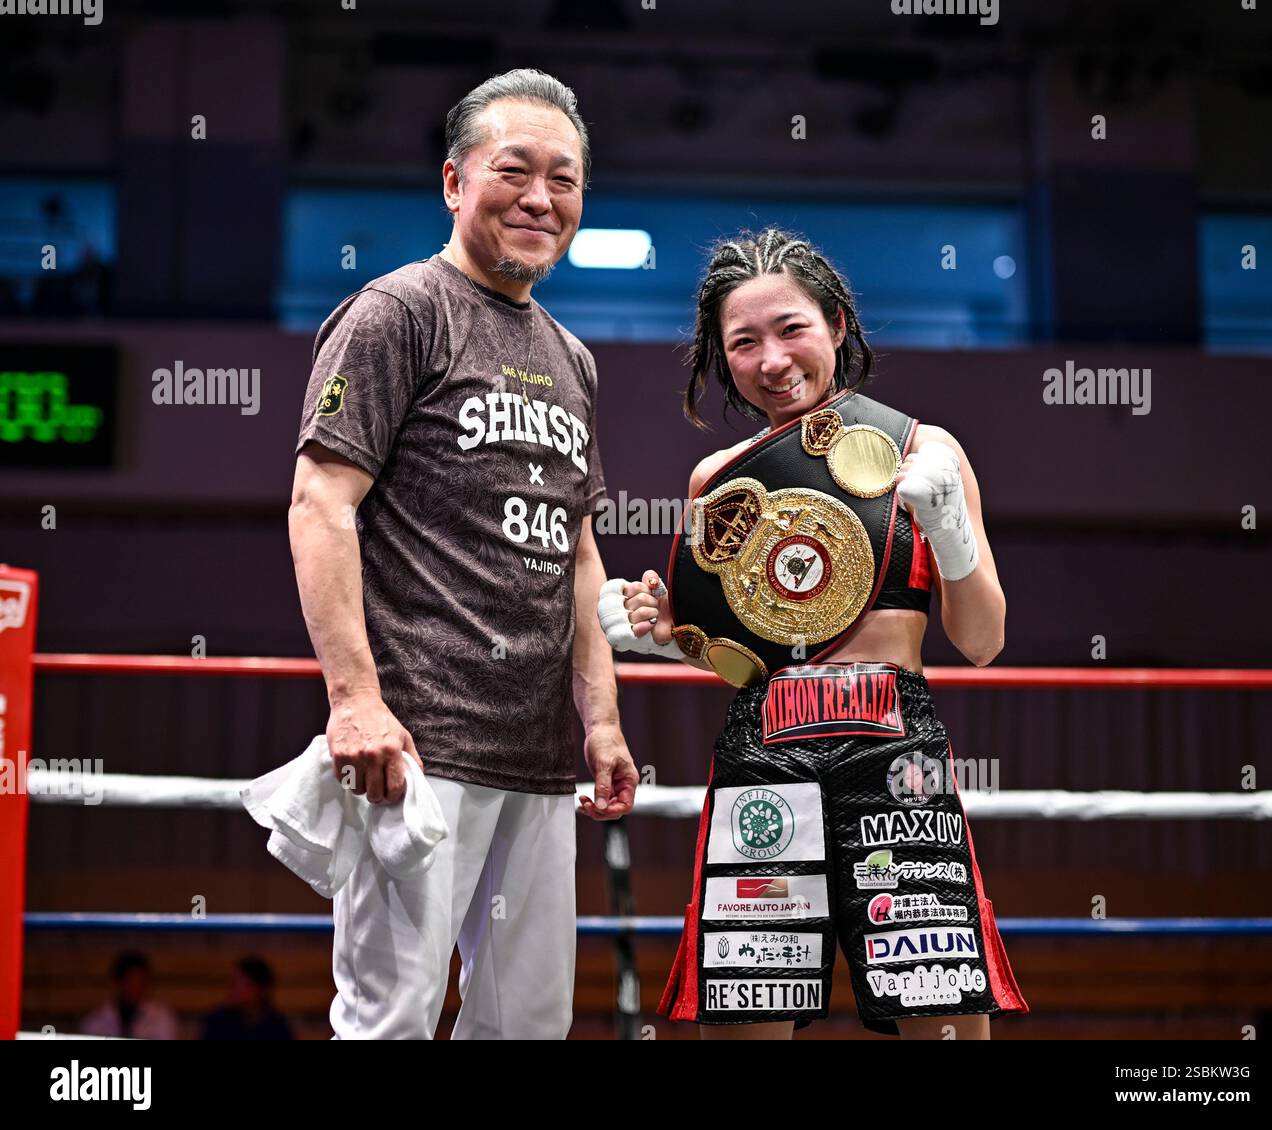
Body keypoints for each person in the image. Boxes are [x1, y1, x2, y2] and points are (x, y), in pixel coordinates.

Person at [600, 227, 1028, 1039]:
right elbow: (734, 654)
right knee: (746, 1019)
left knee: (942, 1020)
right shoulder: (717, 480)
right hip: (766, 751)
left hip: (892, 751)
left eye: (791, 328)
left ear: (835, 324)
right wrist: (659, 633)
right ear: (723, 360)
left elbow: (983, 639)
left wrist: (946, 528)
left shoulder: (921, 449)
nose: (772, 359)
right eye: (744, 342)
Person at [289, 68, 637, 1040]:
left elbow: (575, 552)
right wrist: (354, 697)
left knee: (526, 1025)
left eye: (563, 180)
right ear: (454, 181)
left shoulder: (575, 358)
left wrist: (600, 719)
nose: (540, 197)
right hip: (417, 746)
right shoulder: (397, 311)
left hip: (535, 757)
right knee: (390, 1018)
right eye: (512, 170)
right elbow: (320, 501)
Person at [81, 951, 178, 1040]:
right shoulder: (96, 1020)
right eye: (131, 982)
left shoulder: (161, 1017)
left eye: (141, 982)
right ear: (118, 983)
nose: (136, 988)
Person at [200, 957, 294, 1040]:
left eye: (245, 985)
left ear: (262, 990)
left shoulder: (278, 1027)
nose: (236, 990)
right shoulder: (217, 1022)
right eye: (234, 984)